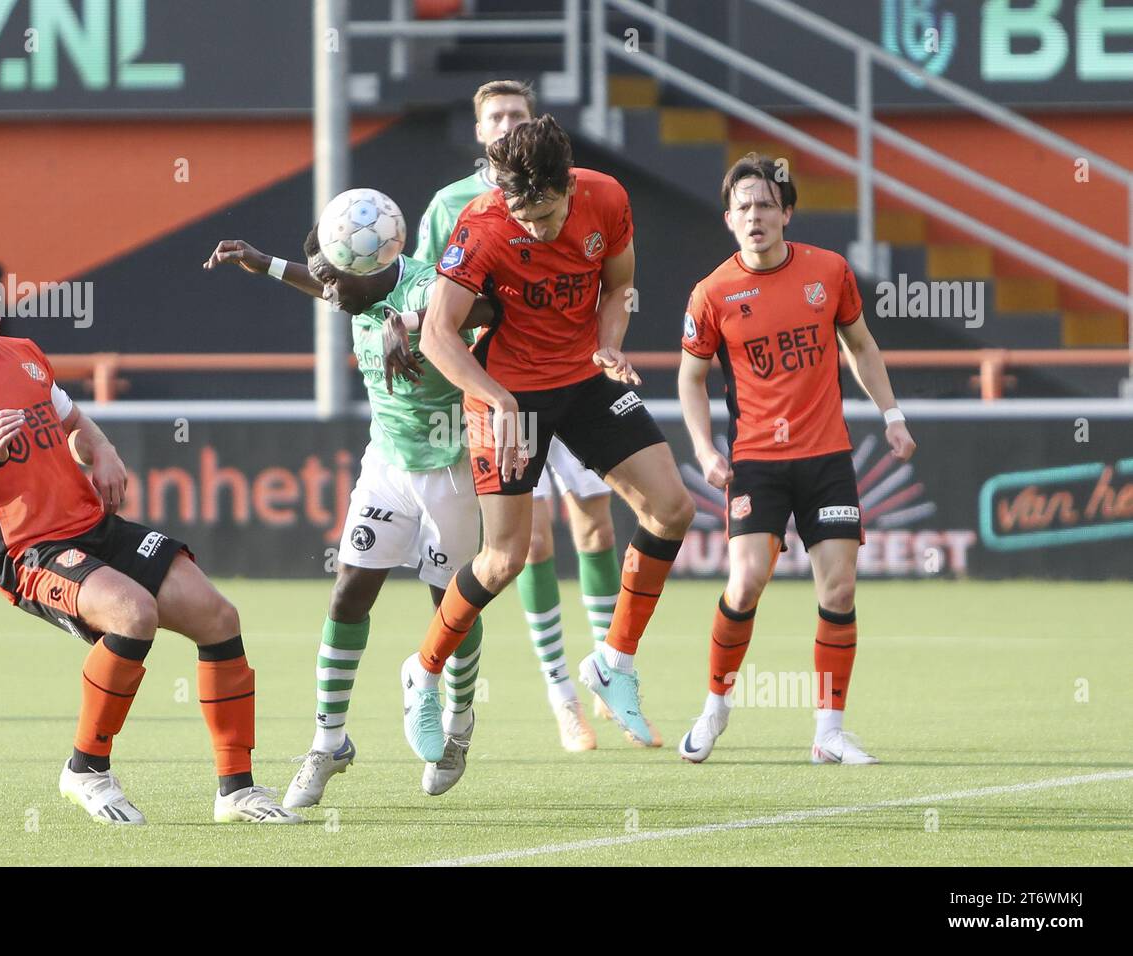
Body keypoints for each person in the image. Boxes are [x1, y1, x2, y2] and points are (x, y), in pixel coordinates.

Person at [0, 245, 299, 825]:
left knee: (219, 616)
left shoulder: (24, 353)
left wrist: (103, 450)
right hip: (29, 551)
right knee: (133, 614)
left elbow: (71, 419)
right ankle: (86, 770)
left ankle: (236, 791)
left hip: (94, 526)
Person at [411, 115, 696, 754]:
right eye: (525, 217)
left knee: (673, 509)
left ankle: (614, 662)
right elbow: (436, 335)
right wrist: (497, 398)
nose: (536, 229)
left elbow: (620, 285)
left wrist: (610, 346)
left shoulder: (608, 198)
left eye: (547, 213)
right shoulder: (482, 227)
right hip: (509, 391)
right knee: (505, 558)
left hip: (584, 378)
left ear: (570, 186)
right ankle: (422, 674)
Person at [204, 218, 495, 802]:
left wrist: (415, 324)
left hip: (451, 469)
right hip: (386, 466)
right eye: (323, 281)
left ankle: (460, 721)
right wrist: (265, 263)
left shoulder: (419, 289)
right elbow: (328, 286)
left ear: (367, 272)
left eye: (334, 281)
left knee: (451, 608)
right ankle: (328, 741)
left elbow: (489, 310)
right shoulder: (355, 289)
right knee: (348, 591)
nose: (328, 293)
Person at [676, 154, 917, 765]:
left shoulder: (829, 272)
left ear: (786, 212)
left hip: (827, 456)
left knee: (838, 587)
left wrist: (892, 417)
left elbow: (861, 345)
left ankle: (829, 731)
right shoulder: (713, 293)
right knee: (747, 580)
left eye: (764, 205)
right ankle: (715, 705)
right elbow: (691, 377)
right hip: (755, 460)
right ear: (728, 219)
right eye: (743, 207)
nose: (754, 216)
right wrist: (704, 448)